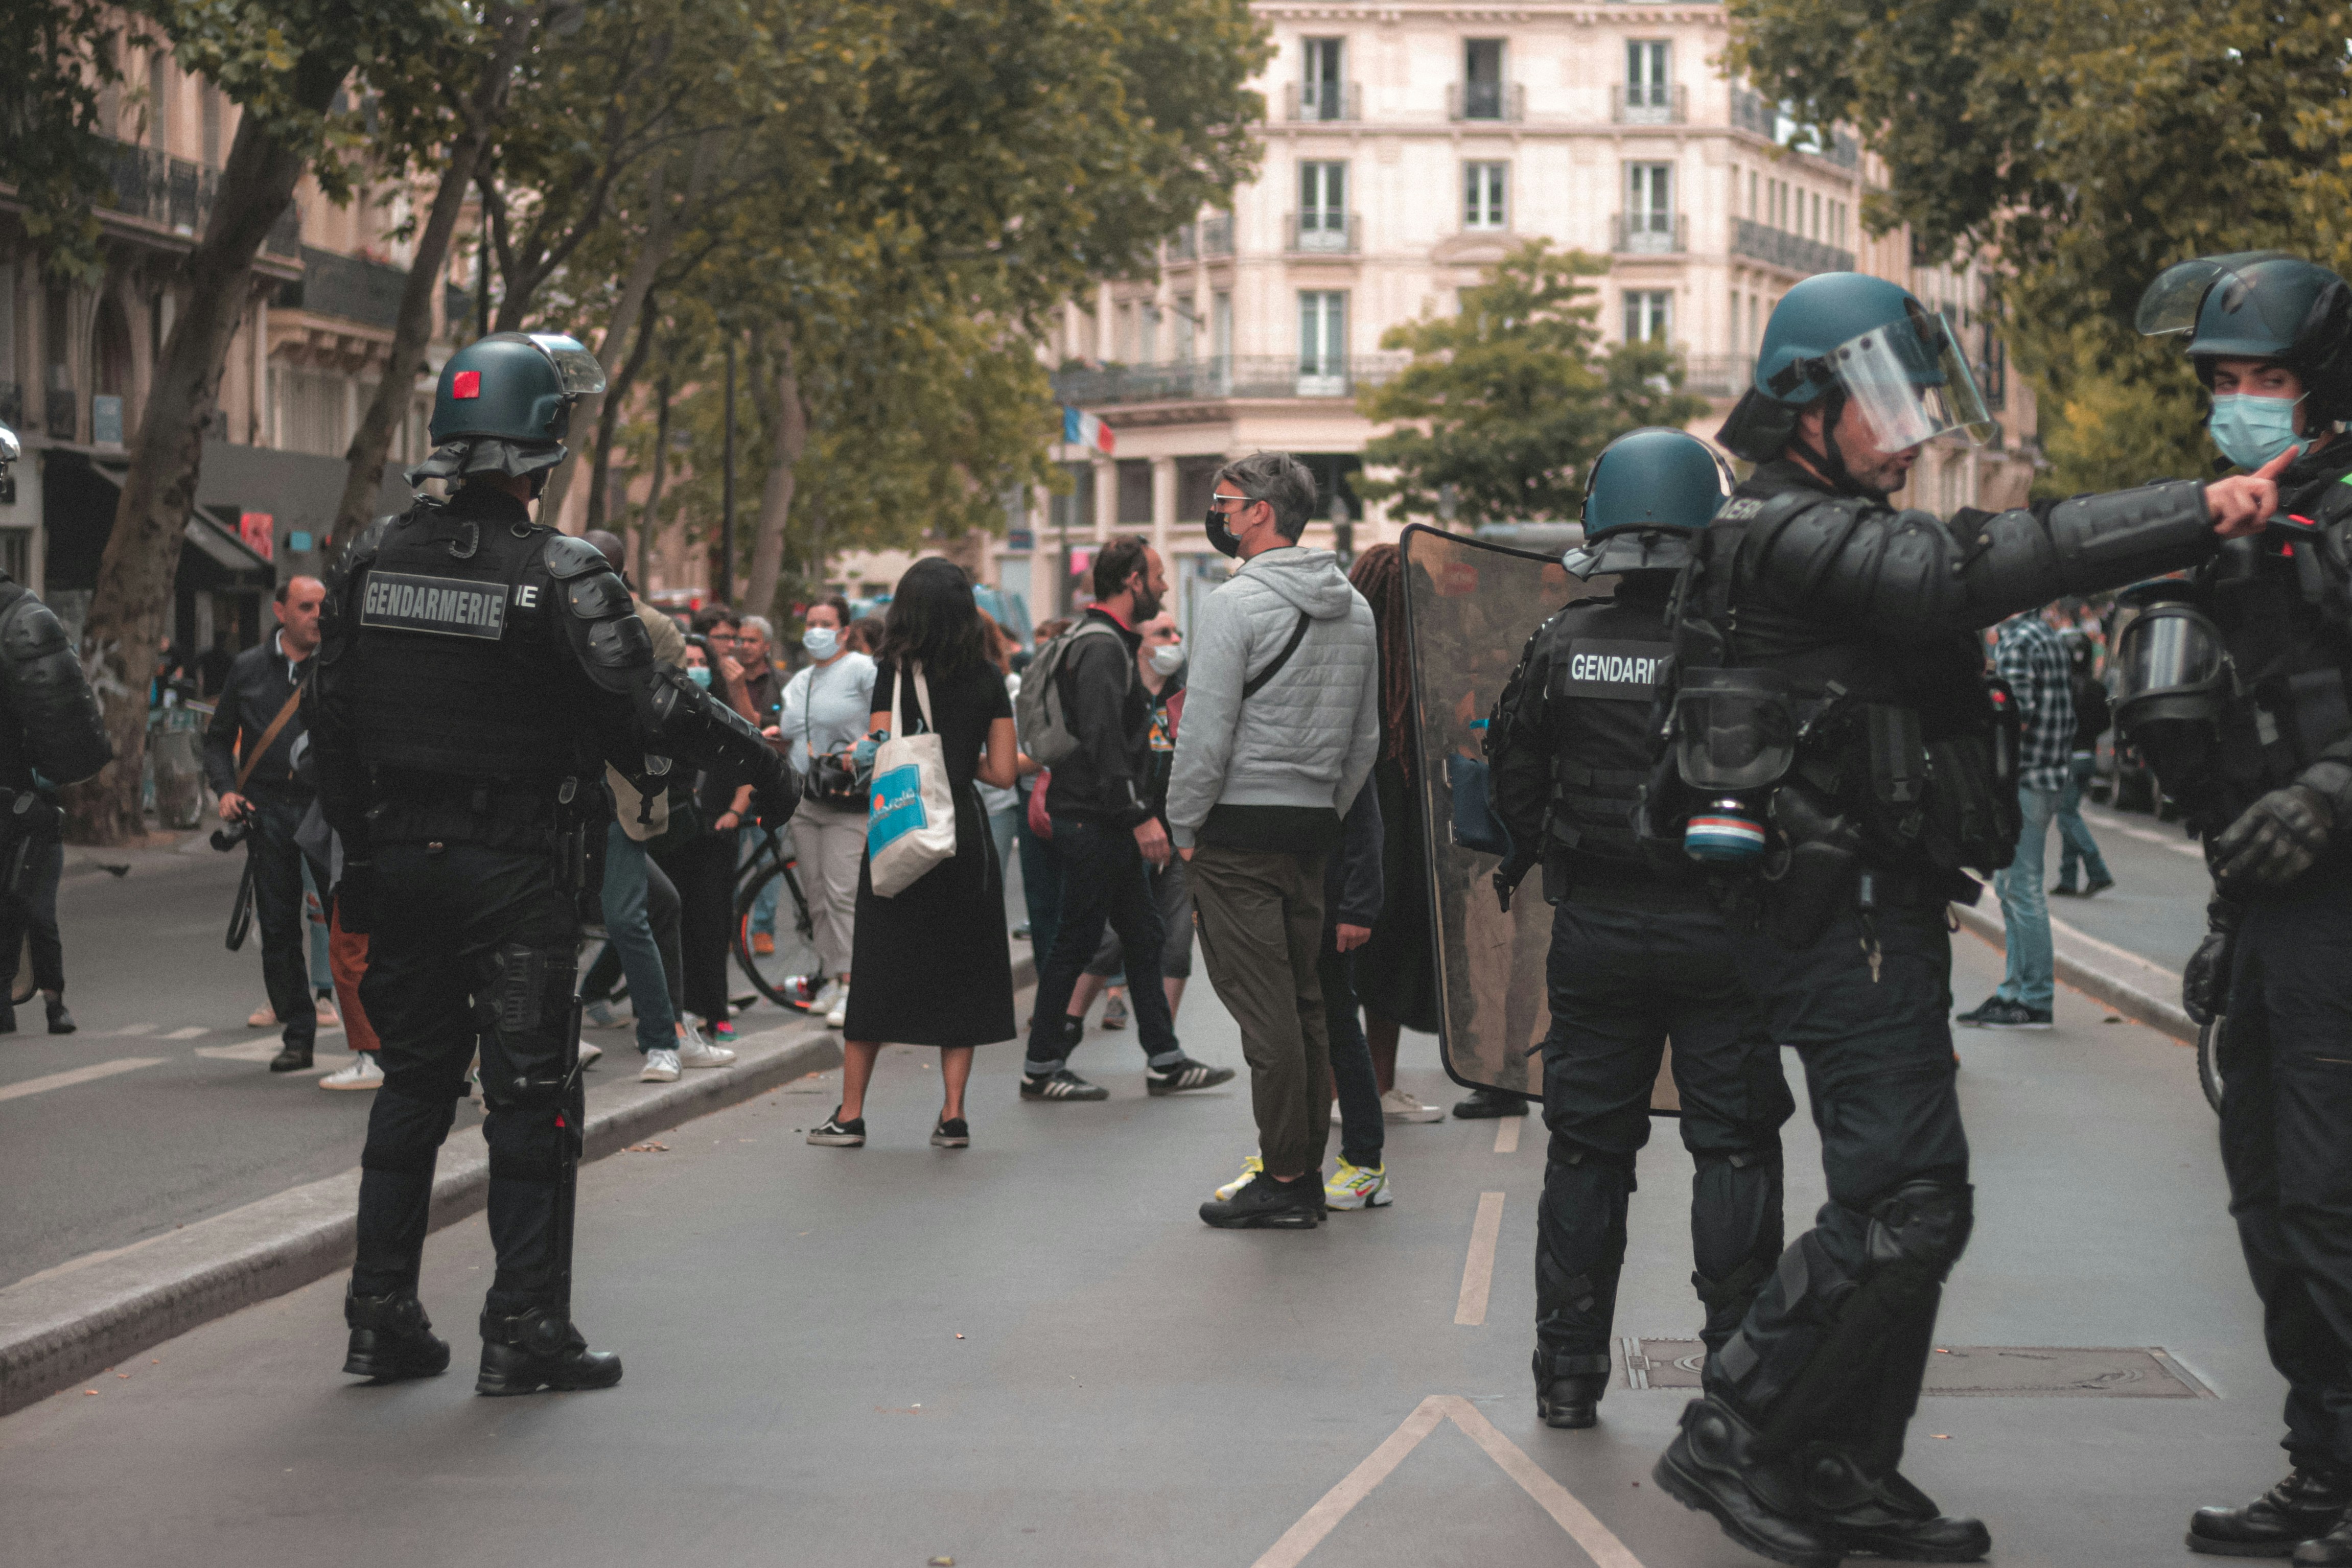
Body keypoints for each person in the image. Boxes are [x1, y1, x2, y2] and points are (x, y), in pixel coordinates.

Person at [1646, 271, 2281, 1565]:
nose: (1911, 428)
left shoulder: (1821, 518)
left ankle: (1840, 1462)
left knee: (1914, 1198)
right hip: (1838, 913)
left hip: (1873, 902)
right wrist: (2191, 508)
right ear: (1804, 408)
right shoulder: (1782, 525)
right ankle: (1740, 1428)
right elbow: (1964, 570)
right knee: (1906, 1202)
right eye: (1886, 401)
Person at [310, 330, 795, 1397]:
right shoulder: (559, 571)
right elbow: (651, 706)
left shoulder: (369, 558)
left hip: (401, 861)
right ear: (542, 444)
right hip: (515, 870)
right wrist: (761, 758)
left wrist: (365, 855)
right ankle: (524, 1326)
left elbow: (329, 725)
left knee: (412, 1086)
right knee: (531, 1101)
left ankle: (380, 1316)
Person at [2105, 254, 2352, 1563]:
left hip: (2340, 911)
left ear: (2323, 386)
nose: (2239, 403)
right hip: (2267, 911)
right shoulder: (2245, 525)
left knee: (2328, 1201)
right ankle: (2322, 1467)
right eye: (2224, 381)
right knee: (2267, 1198)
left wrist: (2330, 795)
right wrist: (2224, 915)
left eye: (2266, 379)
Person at [1484, 427, 1794, 1433]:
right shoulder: (1745, 645)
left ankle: (1568, 1375)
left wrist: (1541, 846)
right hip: (1724, 932)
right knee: (1732, 1148)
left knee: (1585, 1152)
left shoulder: (1559, 642)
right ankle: (1737, 1377)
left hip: (1598, 934)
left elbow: (1510, 778)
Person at [1175, 452, 1381, 1229]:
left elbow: (1205, 733)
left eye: (1224, 501)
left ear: (1260, 511)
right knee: (1305, 1006)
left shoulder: (1234, 604)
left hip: (1238, 832)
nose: (1217, 513)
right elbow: (1363, 741)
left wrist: (1185, 825)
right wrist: (1324, 807)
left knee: (1266, 1018)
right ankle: (1300, 1172)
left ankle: (1288, 1178)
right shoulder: (1354, 608)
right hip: (1310, 830)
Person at [807, 558, 1018, 1149]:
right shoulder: (988, 678)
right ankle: (953, 1115)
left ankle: (850, 1114)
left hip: (903, 829)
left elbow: (881, 754)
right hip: (962, 836)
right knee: (962, 970)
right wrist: (960, 760)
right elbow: (1003, 773)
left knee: (879, 966)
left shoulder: (892, 673)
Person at [1019, 539, 1231, 1101]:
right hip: (1094, 819)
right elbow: (1103, 739)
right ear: (1133, 581)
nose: (1163, 586)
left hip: (1100, 818)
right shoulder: (1101, 648)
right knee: (1077, 940)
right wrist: (1138, 816)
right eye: (1157, 576)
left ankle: (1164, 1059)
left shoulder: (1104, 641)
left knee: (1143, 933)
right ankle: (1041, 1065)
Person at [577, 529, 730, 1082]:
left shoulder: (654, 627)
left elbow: (664, 715)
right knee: (645, 909)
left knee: (642, 910)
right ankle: (666, 1036)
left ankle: (667, 1039)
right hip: (570, 790)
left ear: (617, 574)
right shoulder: (558, 615)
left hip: (621, 790)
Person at [0, 422, 110, 1037]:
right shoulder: (17, 617)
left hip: (15, 815)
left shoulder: (16, 619)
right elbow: (76, 751)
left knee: (35, 913)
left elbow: (70, 753)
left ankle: (52, 998)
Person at [204, 575, 328, 1071]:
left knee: (348, 922)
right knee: (278, 927)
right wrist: (225, 790)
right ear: (280, 612)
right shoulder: (249, 668)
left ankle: (375, 1043)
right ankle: (298, 1034)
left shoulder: (337, 664)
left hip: (325, 809)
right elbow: (218, 739)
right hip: (268, 810)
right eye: (306, 606)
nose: (317, 615)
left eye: (321, 606)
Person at [1340, 547, 1445, 1124]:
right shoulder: (1411, 669)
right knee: (1388, 963)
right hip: (1395, 838)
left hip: (1344, 832)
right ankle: (1371, 1087)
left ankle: (1355, 1089)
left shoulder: (1344, 658)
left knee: (1345, 972)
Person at [1065, 610, 1192, 1035]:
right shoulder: (1122, 693)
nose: (1174, 640)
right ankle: (1066, 1026)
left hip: (1178, 834)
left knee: (1177, 944)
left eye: (1176, 633)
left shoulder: (1185, 697)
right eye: (1163, 633)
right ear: (1139, 644)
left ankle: (1165, 1045)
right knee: (1108, 942)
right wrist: (1135, 817)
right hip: (1126, 829)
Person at [1955, 608, 2077, 1029]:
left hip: (2025, 779)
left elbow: (2013, 717)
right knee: (2012, 888)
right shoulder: (2046, 635)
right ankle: (2012, 992)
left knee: (2021, 889)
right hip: (2048, 775)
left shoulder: (2016, 641)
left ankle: (2034, 999)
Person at [776, 595, 876, 1027]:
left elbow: (887, 721)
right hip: (804, 796)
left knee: (841, 893)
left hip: (847, 799)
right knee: (815, 896)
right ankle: (832, 977)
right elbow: (792, 731)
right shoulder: (801, 680)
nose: (816, 631)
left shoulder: (862, 670)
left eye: (825, 623)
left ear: (845, 631)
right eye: (810, 622)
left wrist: (864, 745)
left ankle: (854, 984)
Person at [1013, 617, 1073, 955]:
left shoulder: (1077, 688)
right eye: (1038, 646)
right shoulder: (1026, 690)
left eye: (1049, 645)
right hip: (1031, 799)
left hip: (1070, 799)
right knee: (1040, 898)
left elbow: (1047, 750)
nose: (1041, 654)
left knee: (1071, 896)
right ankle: (1048, 973)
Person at [2050, 629, 2114, 898]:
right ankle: (2068, 878)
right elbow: (2105, 723)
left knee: (2066, 816)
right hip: (2087, 757)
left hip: (2068, 758)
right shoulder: (2097, 688)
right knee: (2070, 814)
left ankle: (2098, 872)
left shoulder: (2061, 688)